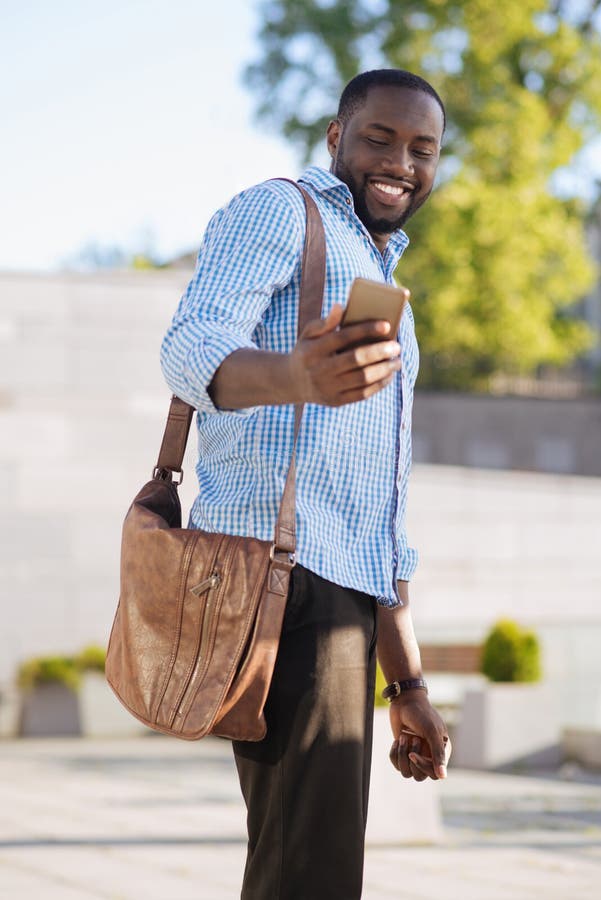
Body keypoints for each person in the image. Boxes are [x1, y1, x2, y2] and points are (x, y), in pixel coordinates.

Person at [161, 68, 451, 900]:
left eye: (421, 149)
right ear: (335, 138)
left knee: (311, 868)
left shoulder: (384, 281)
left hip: (342, 602)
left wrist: (407, 684)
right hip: (285, 587)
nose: (400, 162)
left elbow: (375, 512)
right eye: (378, 138)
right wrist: (296, 372)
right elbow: (188, 348)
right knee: (308, 873)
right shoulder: (280, 210)